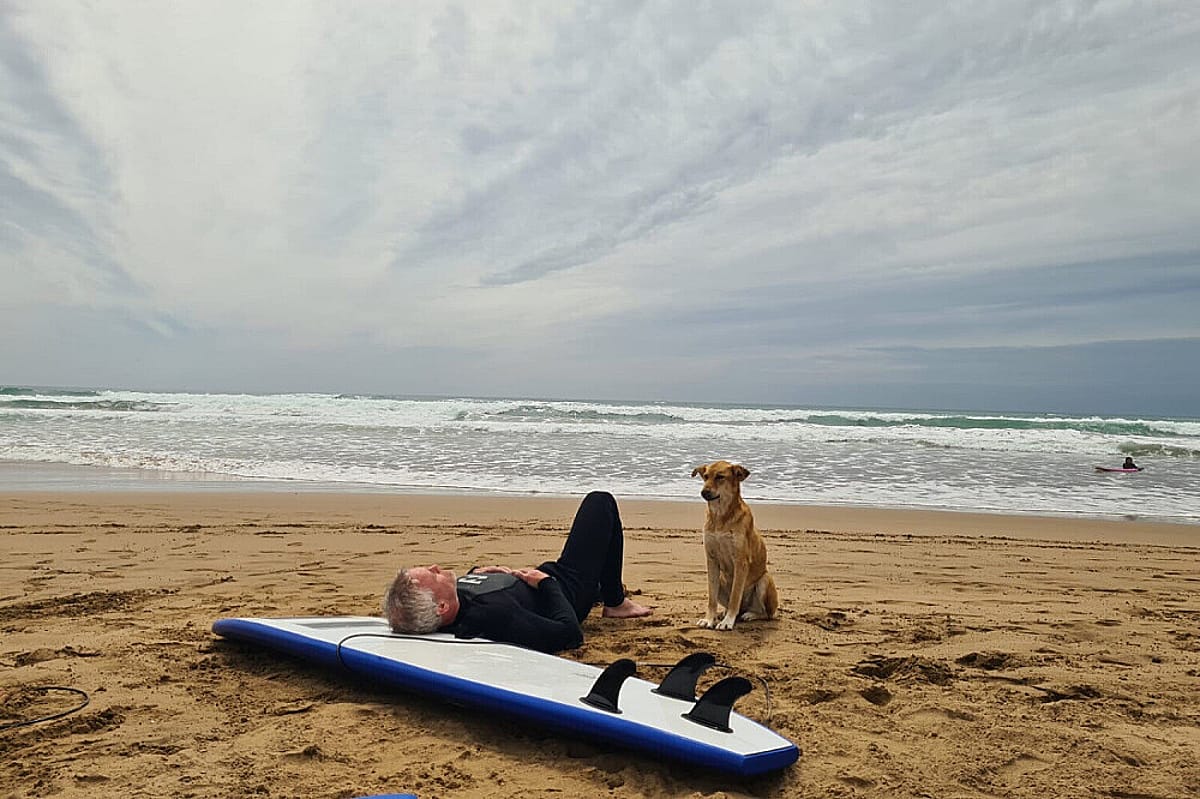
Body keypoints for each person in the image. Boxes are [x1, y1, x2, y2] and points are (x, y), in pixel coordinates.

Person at [383, 491, 652, 653]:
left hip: (541, 578)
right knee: (600, 502)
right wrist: (546, 583)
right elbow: (569, 634)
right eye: (434, 575)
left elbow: (463, 601)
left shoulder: (451, 607)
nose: (435, 567)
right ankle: (615, 603)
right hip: (567, 588)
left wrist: (479, 573)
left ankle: (603, 592)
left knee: (595, 547)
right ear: (441, 606)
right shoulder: (493, 615)